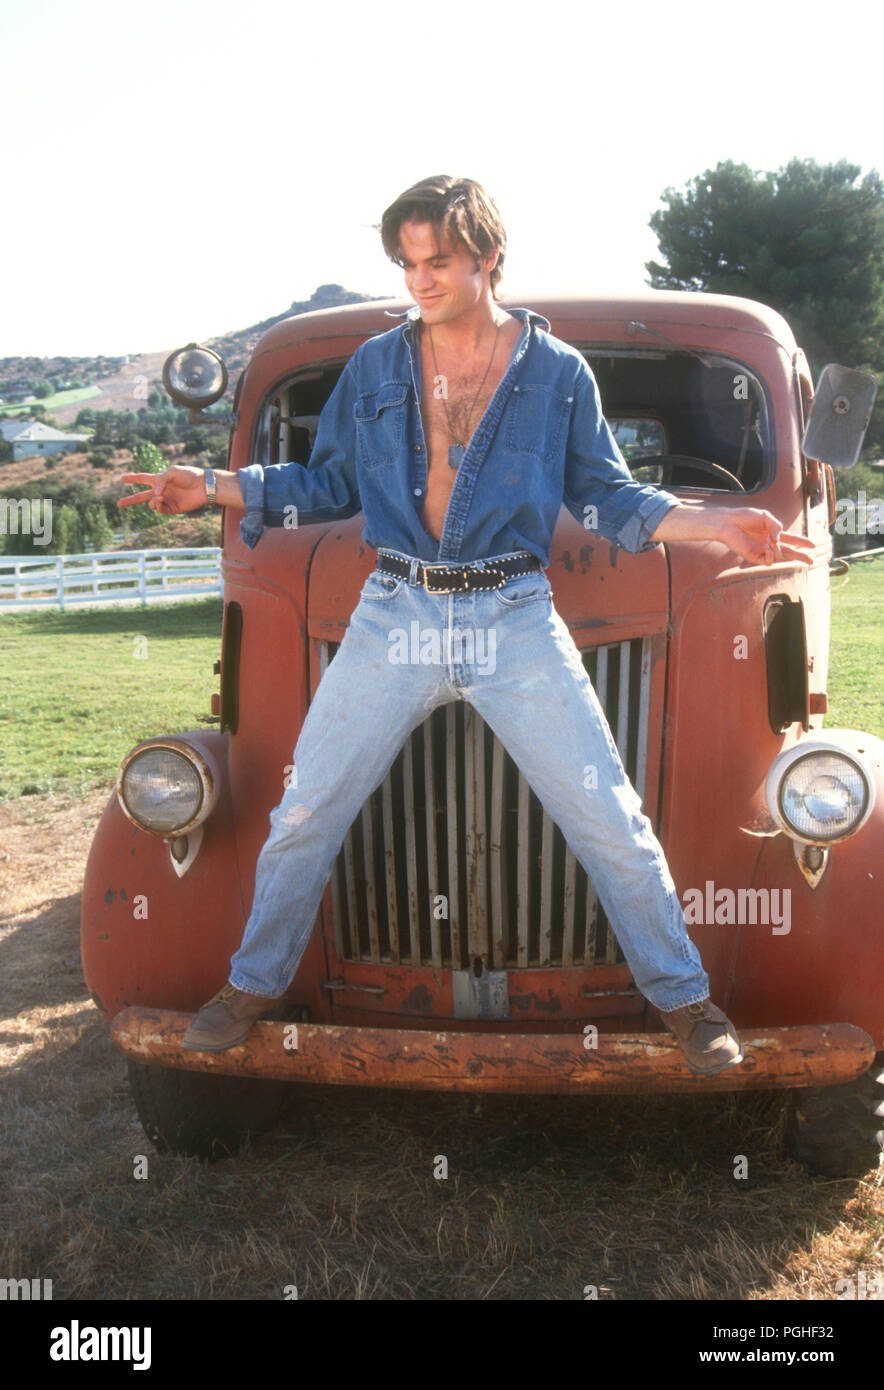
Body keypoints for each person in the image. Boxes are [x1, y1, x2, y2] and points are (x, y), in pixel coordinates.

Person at [118, 174, 815, 1075]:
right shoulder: (373, 366)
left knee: (610, 818)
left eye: (437, 261)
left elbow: (606, 494)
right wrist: (212, 486)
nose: (418, 280)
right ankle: (250, 985)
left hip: (511, 614)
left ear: (488, 257)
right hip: (395, 609)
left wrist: (708, 521)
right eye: (406, 262)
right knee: (303, 813)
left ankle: (684, 1000)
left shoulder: (557, 373)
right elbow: (323, 484)